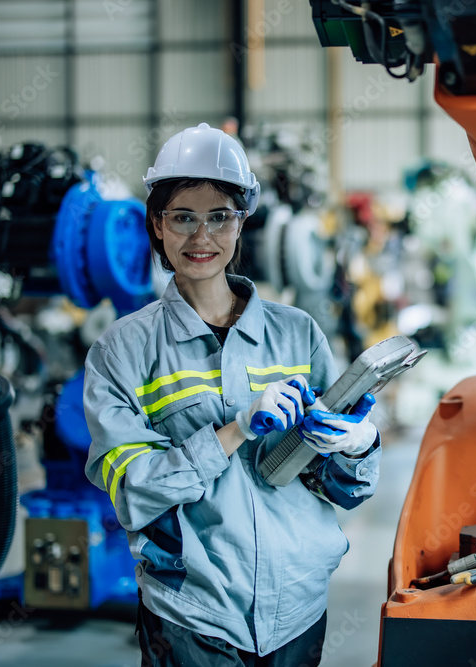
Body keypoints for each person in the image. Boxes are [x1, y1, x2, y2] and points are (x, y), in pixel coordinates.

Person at [83, 122, 381, 667]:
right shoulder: (122, 351)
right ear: (157, 226)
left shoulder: (297, 333)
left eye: (219, 216)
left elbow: (340, 489)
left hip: (298, 606)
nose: (202, 237)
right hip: (193, 615)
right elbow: (134, 492)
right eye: (182, 218)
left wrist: (357, 445)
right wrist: (235, 430)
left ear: (241, 223)